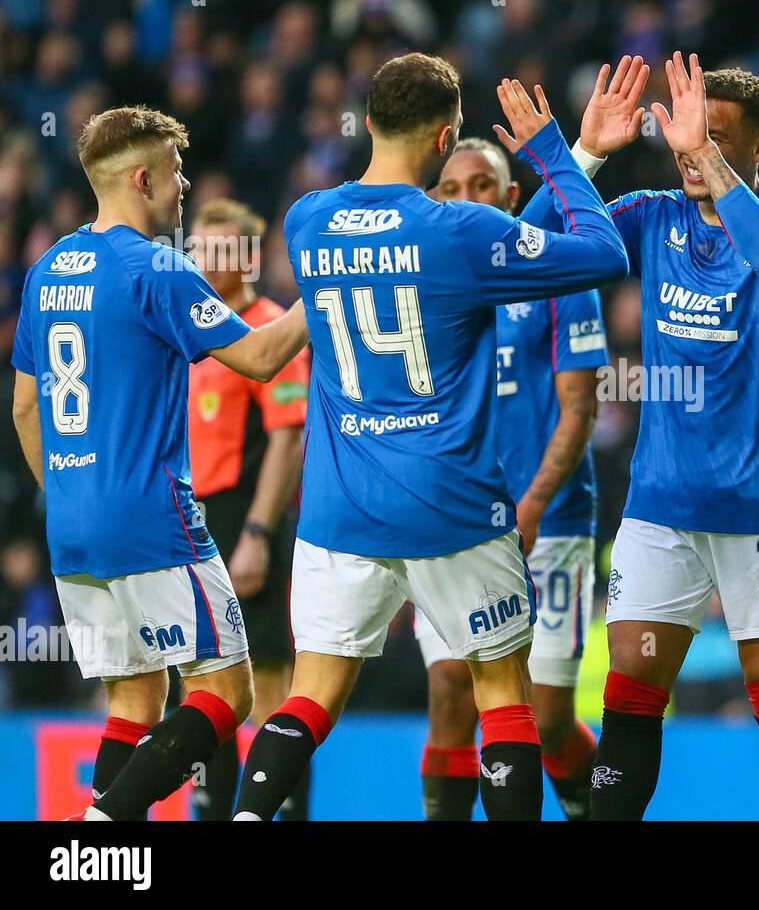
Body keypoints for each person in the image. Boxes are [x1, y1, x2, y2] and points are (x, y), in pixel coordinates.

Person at [229, 52, 628, 822]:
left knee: (310, 695)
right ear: (446, 138)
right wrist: (558, 152)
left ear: (369, 121)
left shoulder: (307, 222)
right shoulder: (462, 233)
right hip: (452, 507)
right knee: (501, 690)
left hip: (339, 512)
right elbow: (604, 253)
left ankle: (247, 818)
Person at [521, 52, 759, 820]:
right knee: (632, 690)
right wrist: (583, 155)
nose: (696, 152)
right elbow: (527, 248)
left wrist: (700, 153)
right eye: (688, 135)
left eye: (719, 138)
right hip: (660, 507)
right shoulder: (651, 214)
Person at [10, 105, 310, 821]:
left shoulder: (47, 269)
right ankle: (100, 827)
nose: (183, 189)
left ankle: (108, 855)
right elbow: (264, 358)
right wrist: (326, 291)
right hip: (153, 519)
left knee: (135, 700)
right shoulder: (156, 269)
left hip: (73, 526)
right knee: (225, 693)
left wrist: (70, 490)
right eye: (176, 174)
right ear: (142, 178)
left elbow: (24, 409)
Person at [416, 133, 613, 820]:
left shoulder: (557, 275)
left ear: (512, 198)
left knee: (547, 715)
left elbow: (579, 408)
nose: (467, 198)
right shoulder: (431, 282)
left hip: (547, 521)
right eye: (452, 188)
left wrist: (528, 507)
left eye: (482, 186)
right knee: (449, 692)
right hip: (455, 521)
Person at [187, 198, 312, 820]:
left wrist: (259, 533)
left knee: (268, 682)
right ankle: (212, 811)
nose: (205, 262)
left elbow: (287, 438)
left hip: (246, 521)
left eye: (219, 250)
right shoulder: (192, 334)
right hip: (193, 525)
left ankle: (281, 812)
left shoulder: (267, 329)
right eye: (198, 249)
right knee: (203, 682)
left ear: (246, 257)